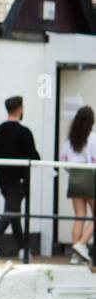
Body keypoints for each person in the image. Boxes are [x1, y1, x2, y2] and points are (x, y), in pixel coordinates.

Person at [0, 97, 40, 261]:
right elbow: (34, 157)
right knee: (12, 212)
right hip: (19, 179)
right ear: (20, 109)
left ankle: (23, 249)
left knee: (14, 214)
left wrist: (2, 169)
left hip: (3, 181)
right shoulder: (24, 132)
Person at [60, 105, 96, 263]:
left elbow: (63, 161)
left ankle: (75, 256)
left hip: (73, 177)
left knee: (79, 216)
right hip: (89, 176)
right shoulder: (93, 138)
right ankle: (82, 244)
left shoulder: (70, 140)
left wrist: (74, 173)